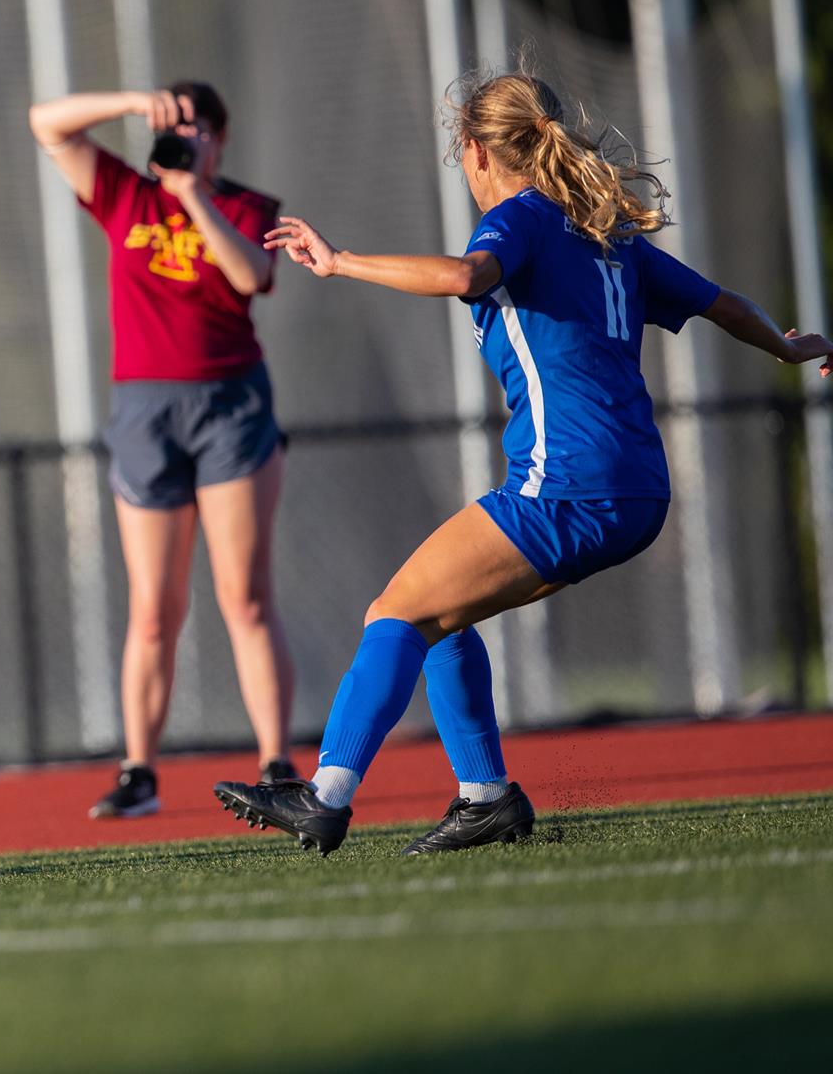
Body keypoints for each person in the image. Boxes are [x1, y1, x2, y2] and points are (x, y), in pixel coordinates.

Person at [215, 71, 832, 855]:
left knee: (393, 614)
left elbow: (466, 277)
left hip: (569, 483)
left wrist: (339, 262)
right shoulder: (606, 232)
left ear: (477, 152)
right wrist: (784, 342)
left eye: (461, 156)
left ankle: (324, 794)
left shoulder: (524, 220)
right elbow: (723, 304)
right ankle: (486, 797)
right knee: (440, 618)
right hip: (636, 489)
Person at [28, 83, 297, 819]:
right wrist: (127, 104)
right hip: (145, 408)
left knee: (244, 594)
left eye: (197, 130)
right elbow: (44, 124)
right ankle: (139, 769)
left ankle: (276, 761)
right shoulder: (124, 193)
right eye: (174, 128)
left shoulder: (245, 206)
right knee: (153, 607)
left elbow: (253, 275)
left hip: (229, 404)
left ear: (220, 137)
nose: (184, 140)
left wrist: (194, 193)